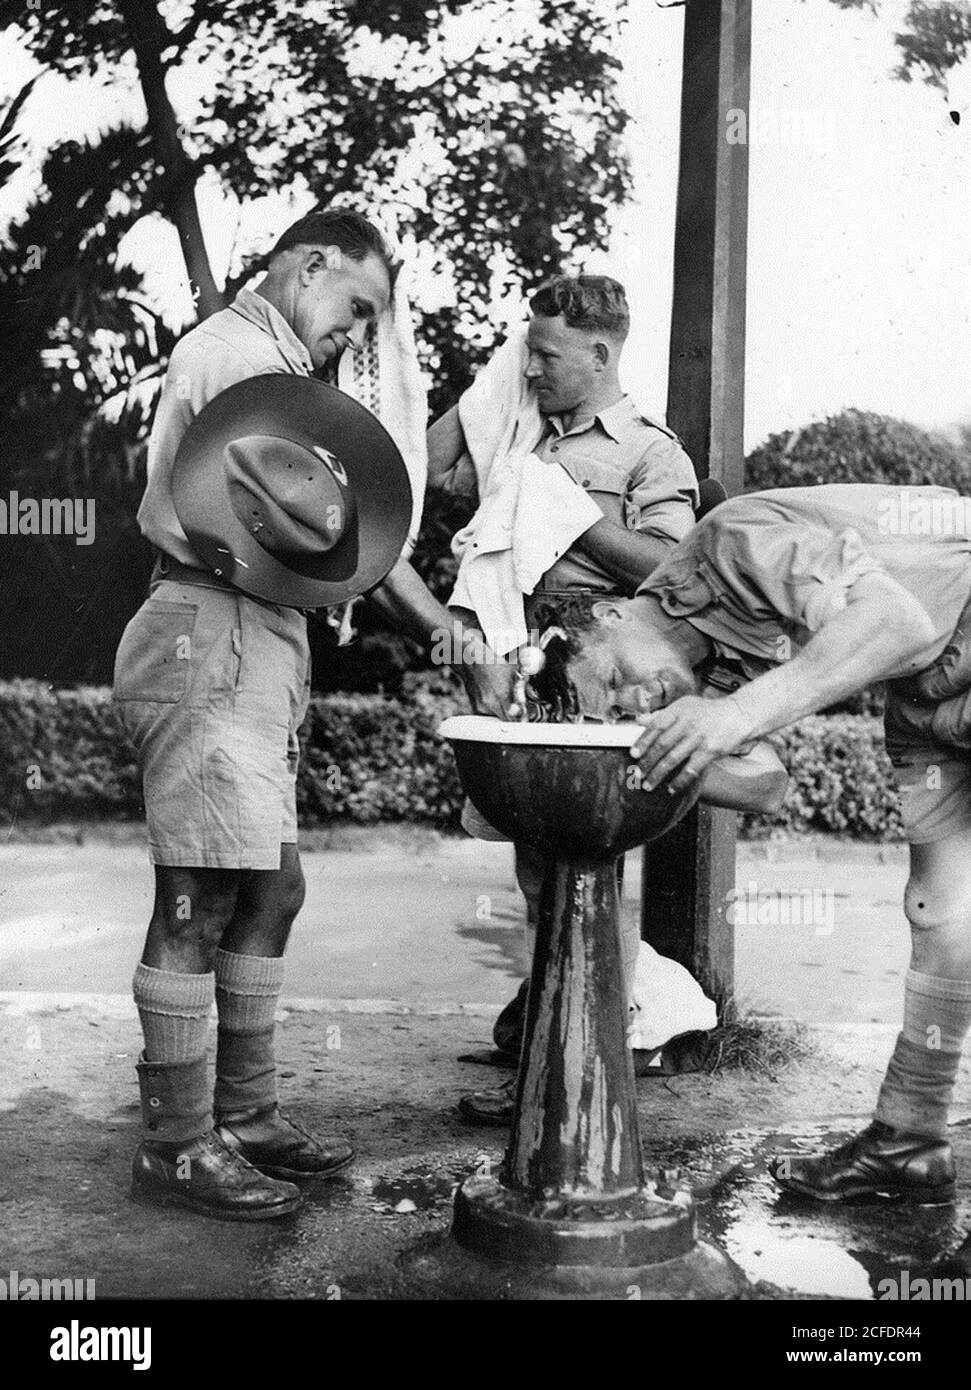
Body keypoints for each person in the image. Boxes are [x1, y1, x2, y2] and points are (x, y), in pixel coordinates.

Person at [115, 206, 509, 1220]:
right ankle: (175, 1143)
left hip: (253, 638)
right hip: (213, 630)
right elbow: (343, 549)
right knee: (197, 899)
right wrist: (457, 642)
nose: (359, 332)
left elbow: (342, 548)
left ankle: (240, 1115)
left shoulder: (271, 368)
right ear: (310, 265)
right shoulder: (239, 358)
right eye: (357, 306)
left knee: (269, 890)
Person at [553, 482, 971, 1236]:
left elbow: (893, 620)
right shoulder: (705, 662)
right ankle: (907, 1137)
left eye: (615, 683)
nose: (638, 704)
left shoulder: (732, 539)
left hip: (944, 625)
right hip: (923, 689)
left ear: (612, 613)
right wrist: (642, 758)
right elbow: (765, 782)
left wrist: (733, 716)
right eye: (621, 717)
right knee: (938, 914)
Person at [424, 274, 702, 1121]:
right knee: (539, 875)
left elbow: (675, 570)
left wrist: (568, 515)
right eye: (527, 352)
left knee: (588, 875)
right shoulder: (521, 436)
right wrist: (497, 384)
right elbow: (429, 468)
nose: (533, 368)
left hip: (606, 680)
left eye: (546, 354)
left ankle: (585, 1068)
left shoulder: (651, 453)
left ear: (599, 352)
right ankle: (560, 1057)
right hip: (528, 670)